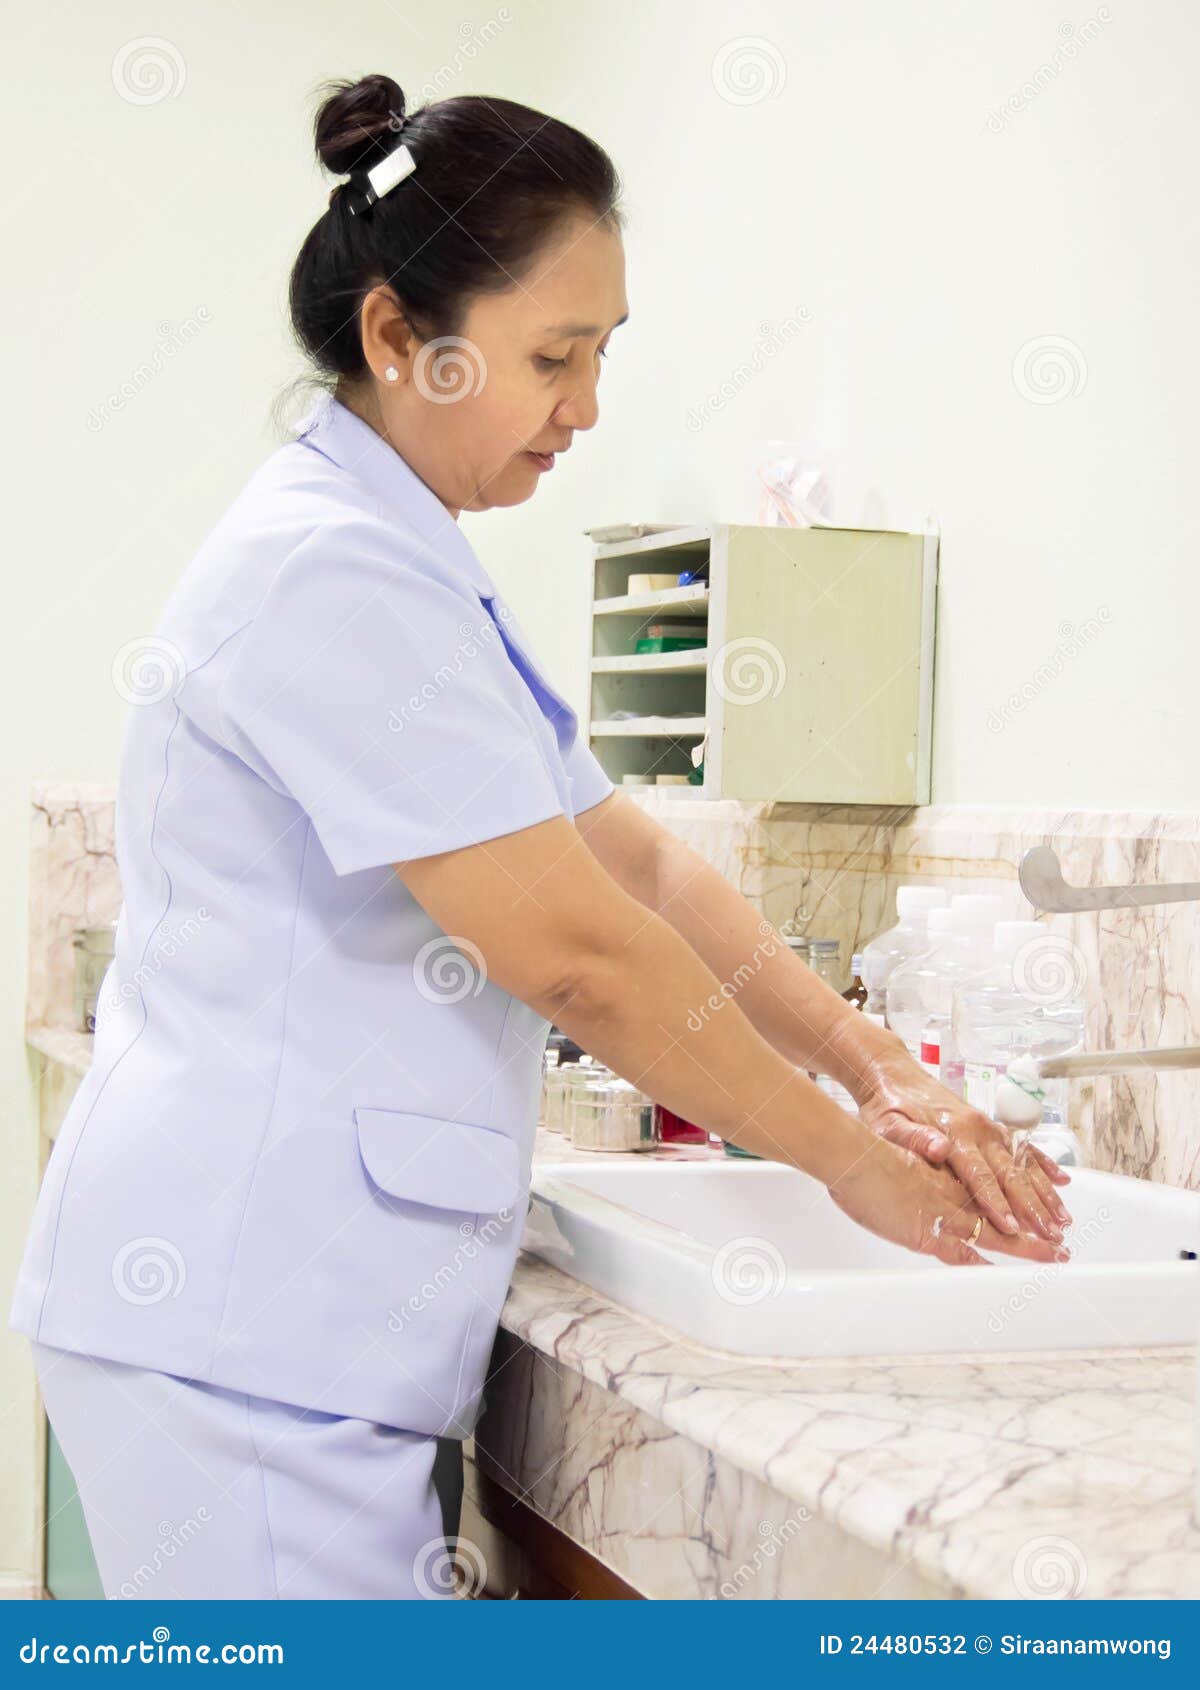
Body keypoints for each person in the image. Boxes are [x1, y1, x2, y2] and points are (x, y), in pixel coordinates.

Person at [11, 73, 1071, 1601]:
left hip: (282, 1332)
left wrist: (874, 1062)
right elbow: (581, 956)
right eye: (551, 356)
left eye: (600, 356)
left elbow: (629, 865)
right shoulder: (331, 571)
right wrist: (851, 1162)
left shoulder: (409, 554)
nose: (585, 406)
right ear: (398, 339)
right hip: (239, 1342)